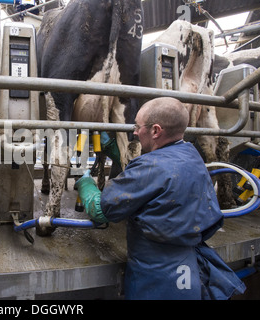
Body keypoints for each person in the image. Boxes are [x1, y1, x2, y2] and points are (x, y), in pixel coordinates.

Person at [75, 97, 246, 300]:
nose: (135, 132)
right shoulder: (192, 155)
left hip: (155, 280)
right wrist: (114, 148)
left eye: (137, 127)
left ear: (156, 131)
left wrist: (85, 184)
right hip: (189, 271)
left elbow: (100, 210)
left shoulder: (149, 168)